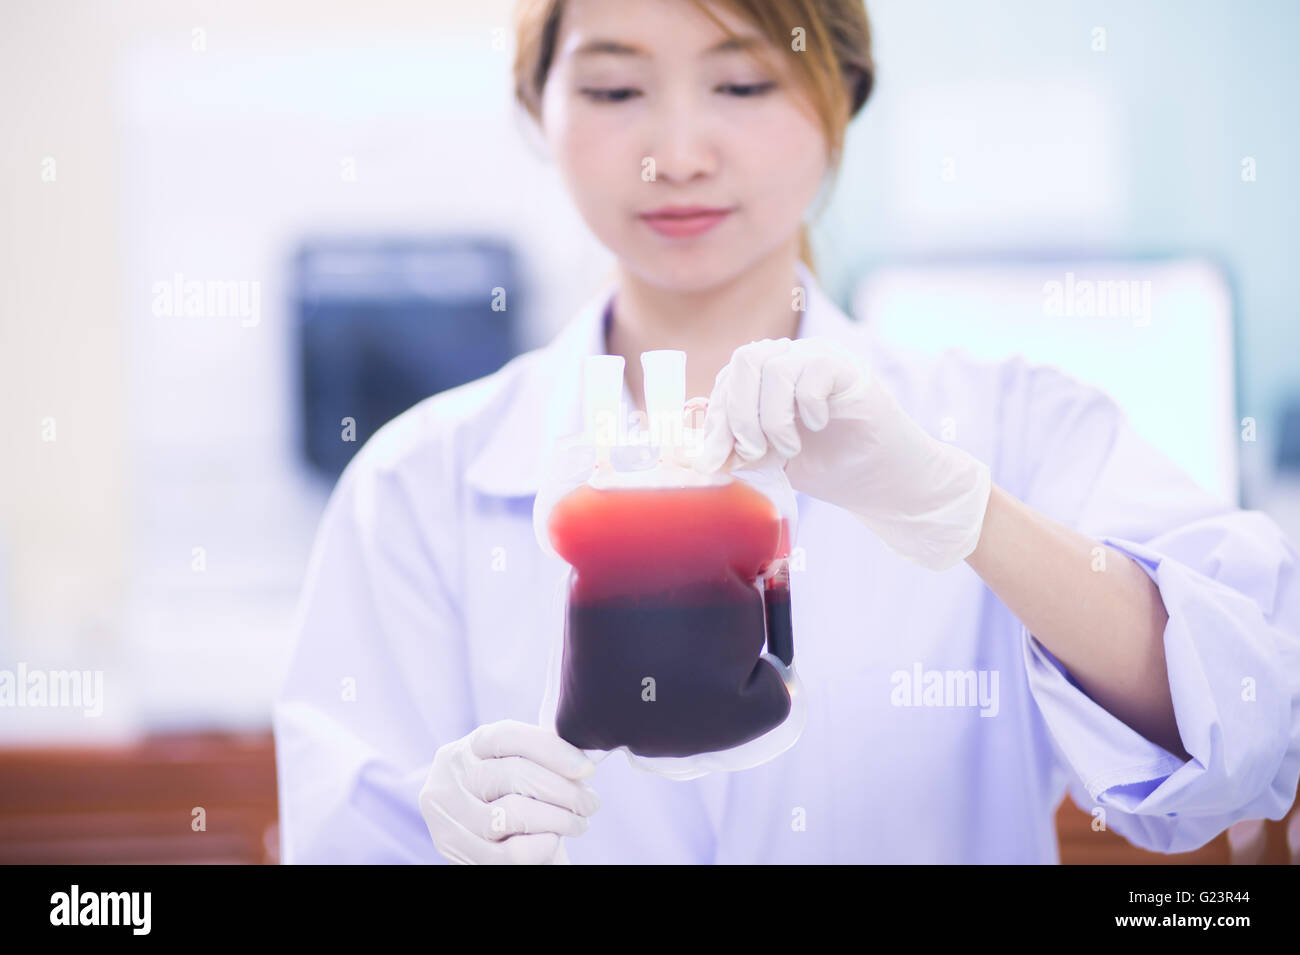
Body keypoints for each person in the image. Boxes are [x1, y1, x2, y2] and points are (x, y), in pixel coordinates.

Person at [272, 0, 1300, 864]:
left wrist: (967, 512)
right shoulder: (415, 485)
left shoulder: (1010, 425)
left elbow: (1254, 727)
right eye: (613, 90)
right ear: (536, 108)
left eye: (745, 84)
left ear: (839, 97)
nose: (676, 156)